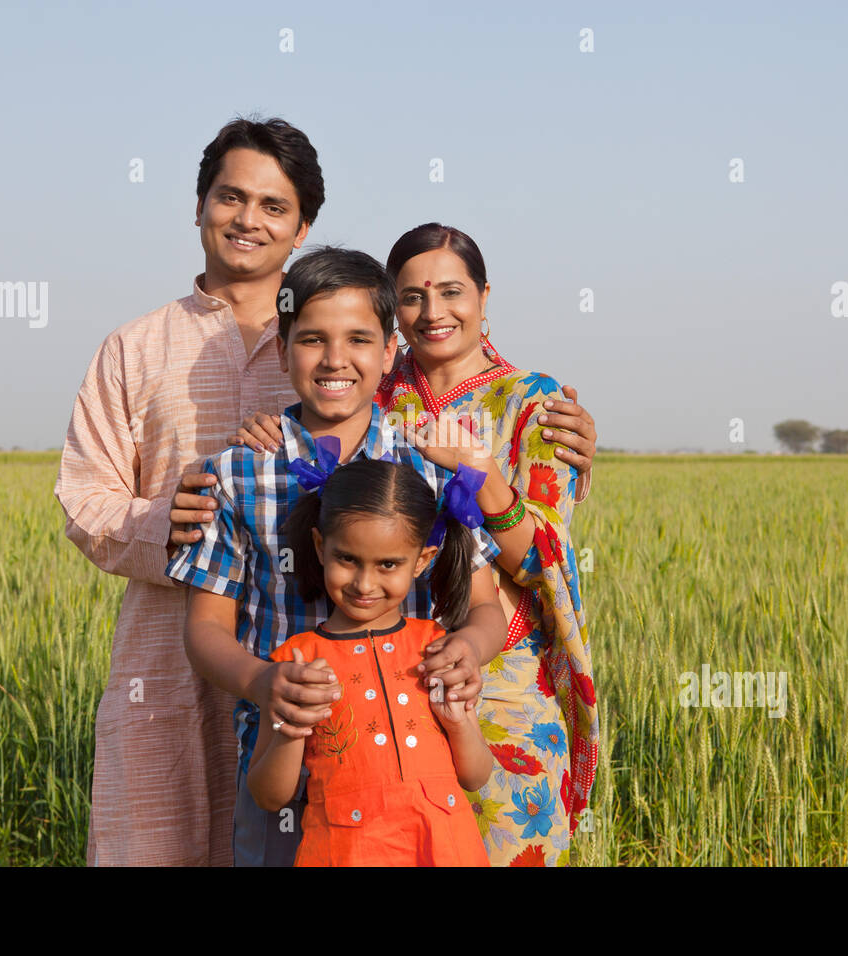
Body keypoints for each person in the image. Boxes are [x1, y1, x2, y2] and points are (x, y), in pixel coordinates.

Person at [211, 224, 600, 866]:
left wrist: (479, 473)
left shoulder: (536, 403)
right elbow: (323, 405)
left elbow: (539, 559)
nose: (433, 311)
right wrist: (264, 431)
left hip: (490, 676)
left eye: (452, 291)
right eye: (412, 296)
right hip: (379, 693)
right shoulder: (387, 400)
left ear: (484, 295)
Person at [164, 246, 508, 866]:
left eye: (358, 339)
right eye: (312, 339)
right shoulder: (237, 476)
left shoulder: (431, 470)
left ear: (388, 352)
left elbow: (485, 608)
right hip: (283, 768)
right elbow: (205, 629)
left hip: (413, 780)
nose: (335, 360)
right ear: (282, 347)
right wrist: (264, 681)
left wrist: (468, 650)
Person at [52, 116, 327, 865]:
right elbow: (85, 497)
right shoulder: (133, 348)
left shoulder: (331, 345)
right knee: (155, 844)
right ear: (199, 204)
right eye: (230, 197)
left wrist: (550, 419)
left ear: (303, 227)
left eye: (274, 206)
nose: (248, 219)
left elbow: (421, 426)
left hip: (299, 659)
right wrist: (164, 518)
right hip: (163, 663)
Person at [248, 457, 494, 866]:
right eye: (347, 559)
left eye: (388, 565)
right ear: (319, 547)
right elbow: (268, 795)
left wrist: (459, 723)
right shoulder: (296, 662)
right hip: (345, 853)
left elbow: (475, 775)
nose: (364, 583)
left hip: (446, 849)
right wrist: (291, 731)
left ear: (422, 560)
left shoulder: (438, 650)